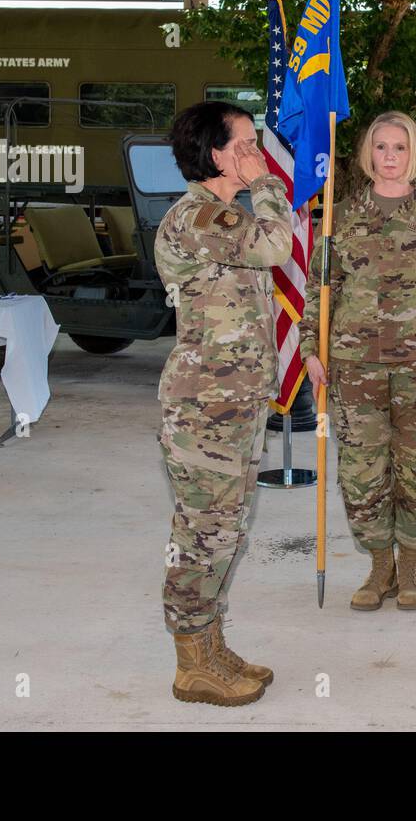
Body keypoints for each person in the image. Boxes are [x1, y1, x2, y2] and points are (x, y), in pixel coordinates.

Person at [302, 111, 416, 611]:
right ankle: (379, 566)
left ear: (414, 154)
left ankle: (412, 569)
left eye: (399, 148)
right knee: (361, 470)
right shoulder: (341, 217)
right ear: (368, 154)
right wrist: (309, 348)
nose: (389, 157)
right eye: (380, 147)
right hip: (353, 364)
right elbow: (321, 289)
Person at [155, 101, 293, 706]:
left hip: (233, 407)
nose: (255, 152)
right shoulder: (198, 217)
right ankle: (192, 664)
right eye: (244, 143)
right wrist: (266, 186)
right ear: (216, 153)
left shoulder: (224, 216)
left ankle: (210, 645)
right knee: (203, 534)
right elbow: (276, 246)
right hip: (204, 413)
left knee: (225, 530)